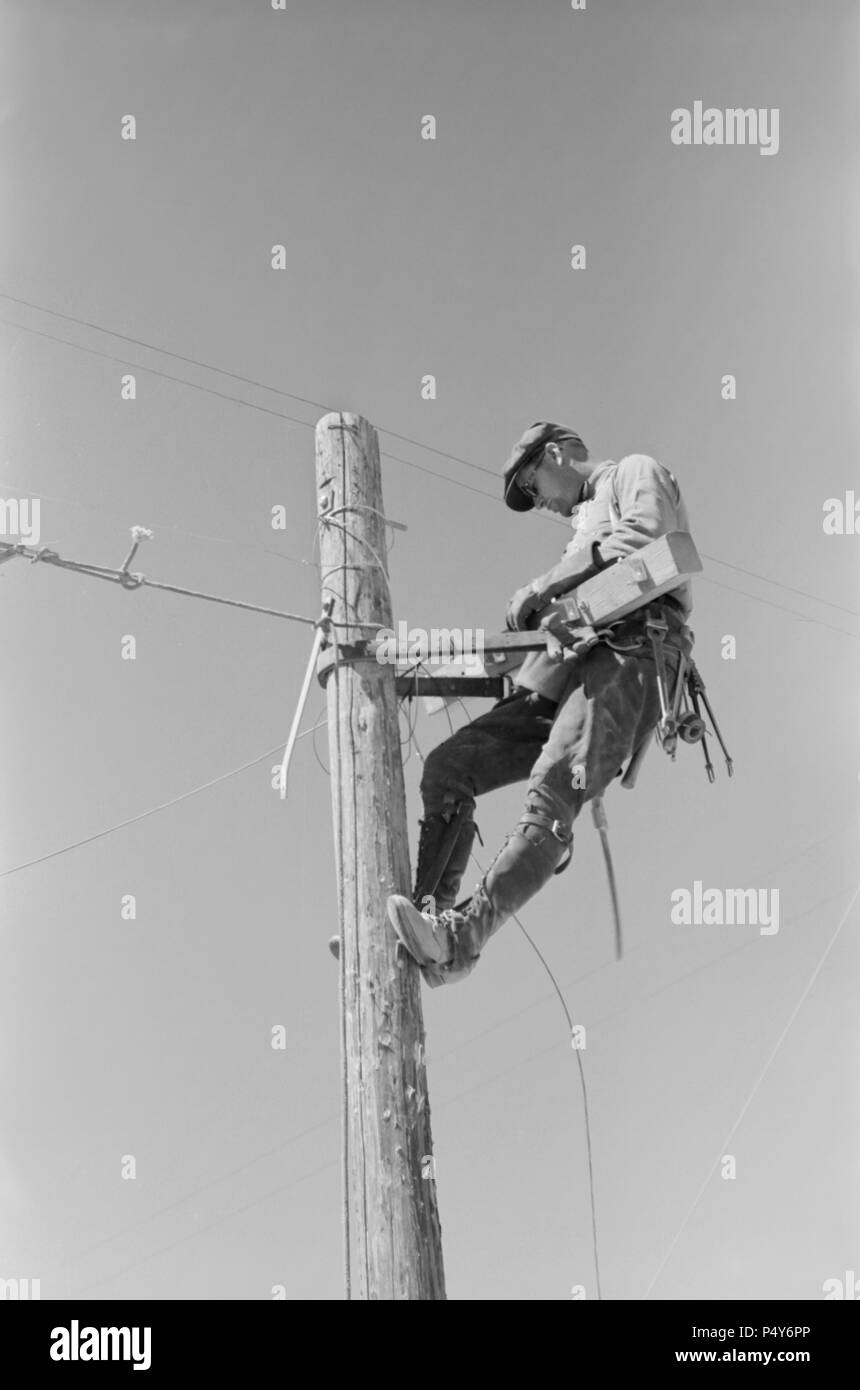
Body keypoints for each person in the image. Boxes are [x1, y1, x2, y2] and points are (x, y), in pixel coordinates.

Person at [387, 421, 695, 987]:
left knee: (552, 787)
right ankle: (424, 920)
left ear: (554, 453)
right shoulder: (583, 528)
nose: (539, 503)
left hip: (632, 656)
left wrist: (545, 587)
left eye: (532, 487)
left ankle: (460, 940)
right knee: (449, 768)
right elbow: (565, 618)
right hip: (563, 677)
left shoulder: (633, 471)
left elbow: (650, 540)